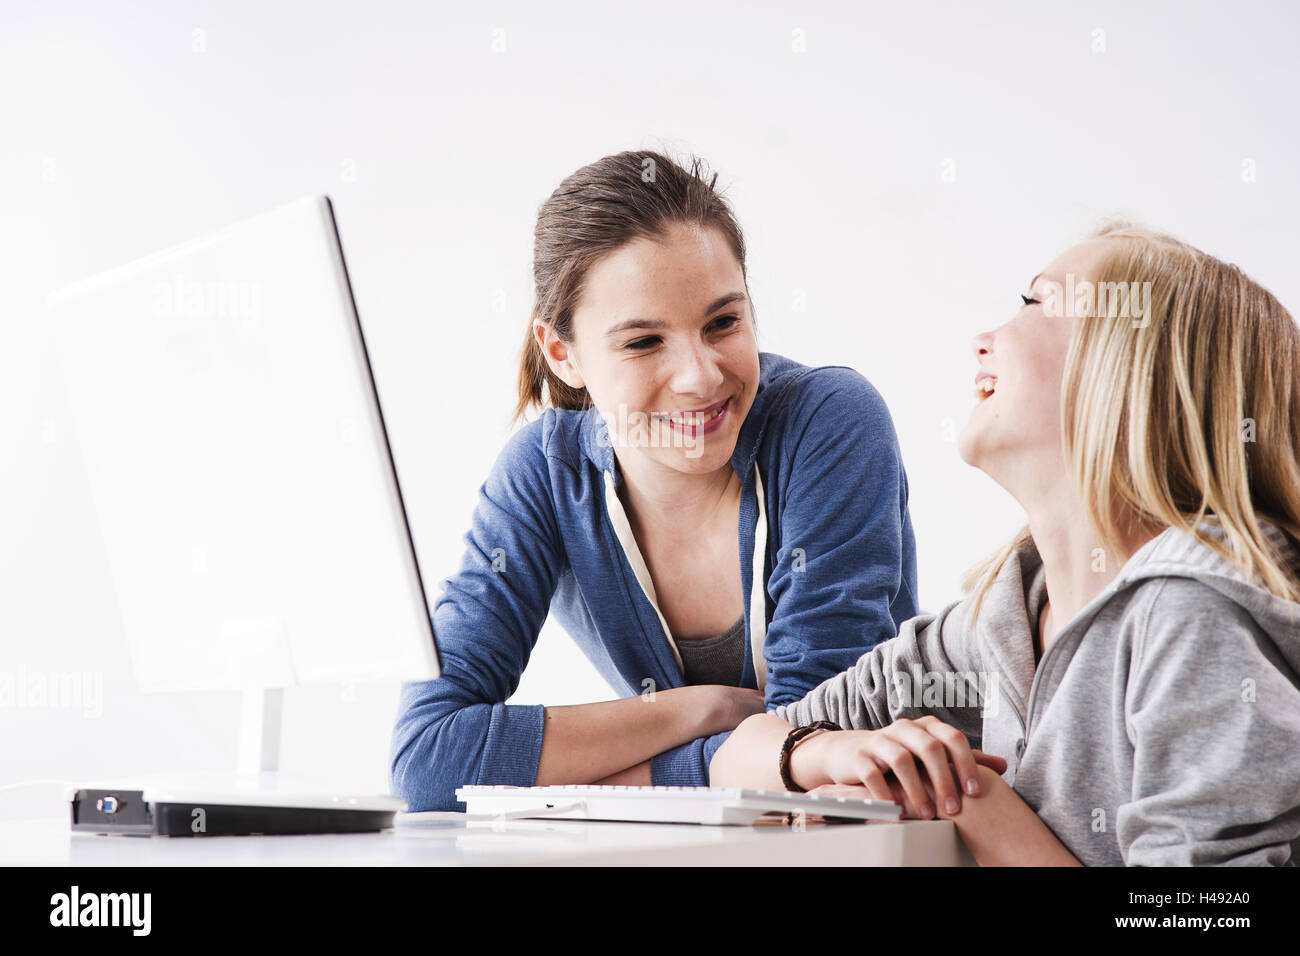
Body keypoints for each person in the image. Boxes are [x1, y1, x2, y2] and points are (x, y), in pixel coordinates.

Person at [710, 222, 1300, 866]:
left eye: (1035, 303)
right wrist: (822, 752)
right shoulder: (997, 624)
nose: (983, 340)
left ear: (1129, 369)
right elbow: (741, 757)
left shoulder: (1195, 616)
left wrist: (977, 806)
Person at [390, 151, 919, 811]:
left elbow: (813, 751)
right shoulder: (544, 474)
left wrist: (600, 773)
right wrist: (698, 712)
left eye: (723, 322)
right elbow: (428, 760)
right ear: (563, 352)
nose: (700, 377)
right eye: (643, 342)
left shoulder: (827, 420)